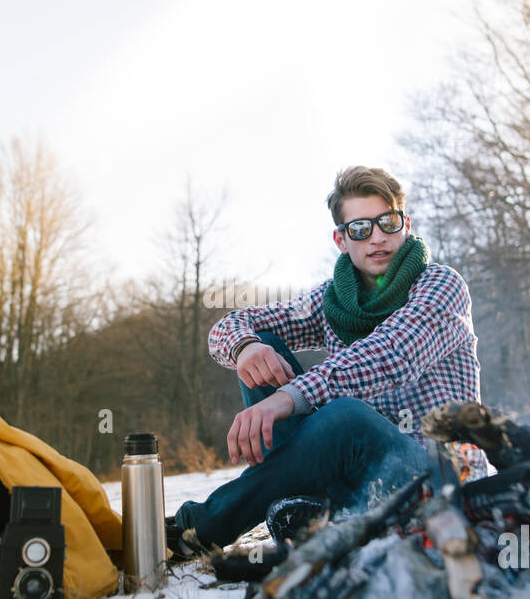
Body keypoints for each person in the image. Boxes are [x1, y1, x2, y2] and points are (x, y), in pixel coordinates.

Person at [167, 166, 486, 557]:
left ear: (406, 224)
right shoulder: (333, 302)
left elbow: (392, 356)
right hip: (355, 481)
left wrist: (290, 397)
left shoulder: (440, 286)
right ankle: (313, 510)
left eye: (388, 222)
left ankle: (201, 527)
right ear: (341, 239)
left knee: (346, 418)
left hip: (434, 478)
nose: (378, 238)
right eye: (360, 229)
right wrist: (245, 347)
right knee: (263, 347)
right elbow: (233, 323)